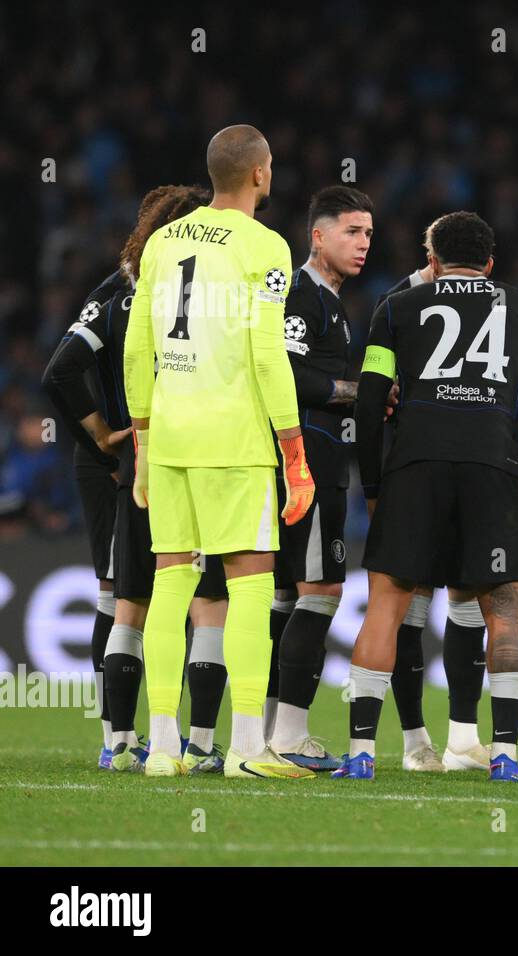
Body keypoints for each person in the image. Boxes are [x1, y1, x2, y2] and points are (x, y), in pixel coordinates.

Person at [123, 124, 316, 779]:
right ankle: (245, 748)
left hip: (171, 434)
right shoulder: (266, 246)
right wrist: (294, 450)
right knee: (252, 584)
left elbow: (136, 349)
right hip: (233, 439)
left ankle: (165, 747)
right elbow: (268, 353)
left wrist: (145, 441)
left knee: (170, 582)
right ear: (260, 173)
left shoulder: (163, 240)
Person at [336, 211, 518, 782]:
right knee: (503, 611)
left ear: (431, 263)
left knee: (386, 605)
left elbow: (368, 403)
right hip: (493, 466)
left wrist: (377, 488)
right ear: (490, 263)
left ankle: (361, 752)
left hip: (415, 466)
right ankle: (503, 754)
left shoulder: (396, 308)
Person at [42, 184, 230, 774]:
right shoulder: (200, 293)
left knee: (121, 597)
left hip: (119, 462)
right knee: (206, 600)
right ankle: (194, 741)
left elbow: (61, 369)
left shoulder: (115, 289)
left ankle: (116, 741)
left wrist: (100, 433)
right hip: (182, 456)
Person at [266, 186, 375, 772]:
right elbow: (287, 373)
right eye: (351, 232)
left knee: (286, 597)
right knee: (321, 592)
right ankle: (290, 735)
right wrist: (362, 393)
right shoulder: (299, 293)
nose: (362, 244)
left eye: (367, 235)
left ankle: (265, 731)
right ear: (318, 235)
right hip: (306, 465)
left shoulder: (330, 300)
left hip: (315, 464)